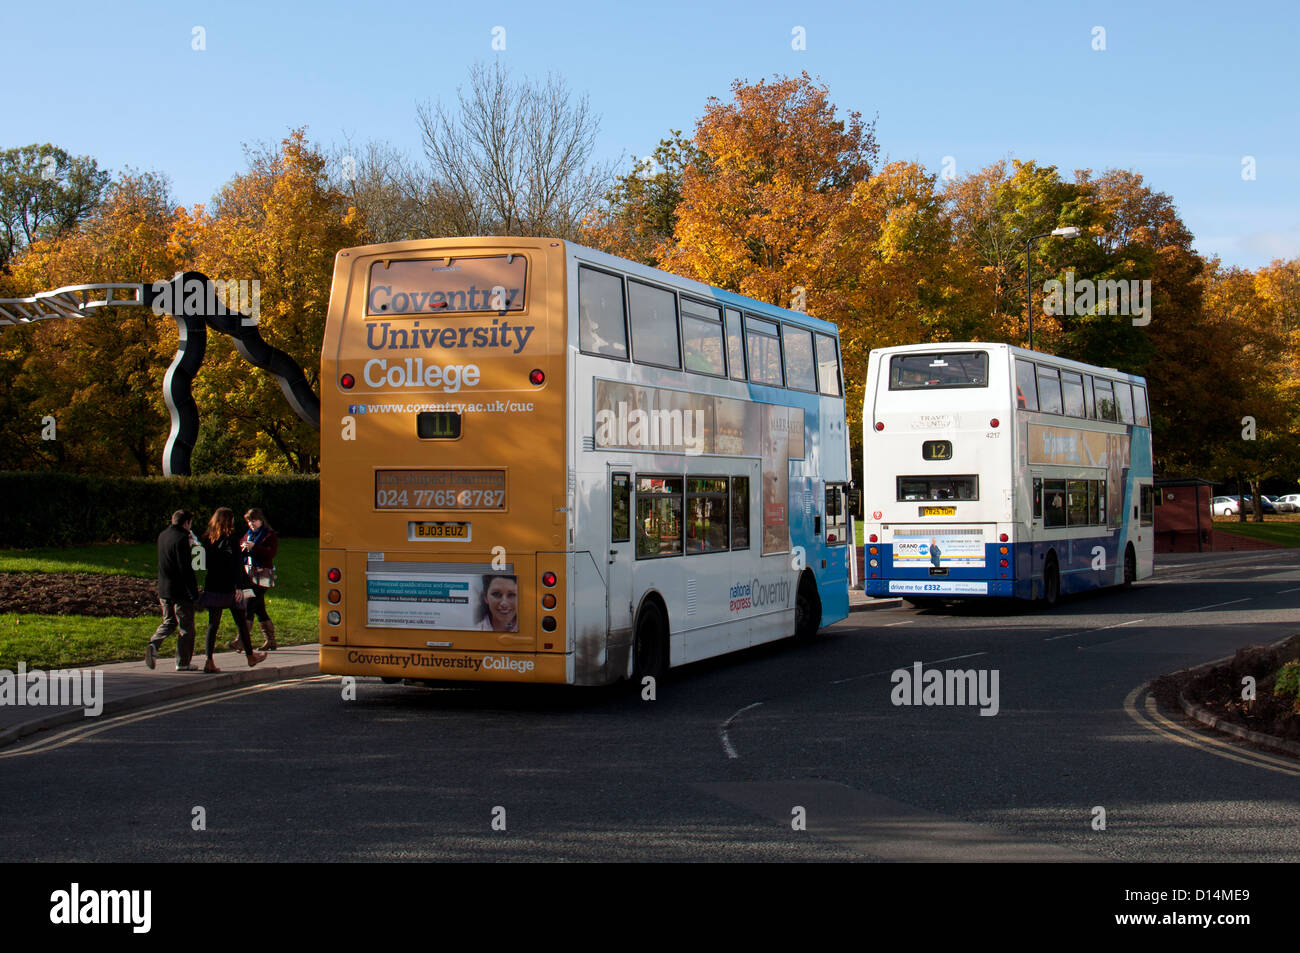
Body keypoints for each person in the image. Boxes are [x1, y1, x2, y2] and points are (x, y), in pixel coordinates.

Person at [200, 507, 266, 672]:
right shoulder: (232, 539)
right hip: (229, 587)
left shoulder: (207, 539)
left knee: (212, 625)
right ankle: (250, 656)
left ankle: (209, 660)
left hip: (213, 585)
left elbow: (203, 563)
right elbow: (236, 565)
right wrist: (238, 586)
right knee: (241, 623)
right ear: (229, 521)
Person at [147, 510, 200, 672]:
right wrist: (193, 592)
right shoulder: (182, 538)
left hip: (164, 587)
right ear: (186, 523)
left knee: (169, 621)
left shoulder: (163, 535)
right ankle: (183, 662)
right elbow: (185, 568)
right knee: (186, 626)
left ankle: (154, 643)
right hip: (180, 590)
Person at [232, 507, 279, 652]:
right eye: (249, 522)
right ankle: (270, 640)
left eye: (254, 521)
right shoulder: (248, 534)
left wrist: (255, 547)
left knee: (249, 605)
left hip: (263, 574)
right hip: (249, 573)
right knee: (259, 608)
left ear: (260, 520)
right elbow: (241, 548)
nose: (251, 525)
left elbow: (270, 554)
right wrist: (243, 547)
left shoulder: (269, 535)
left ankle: (241, 640)